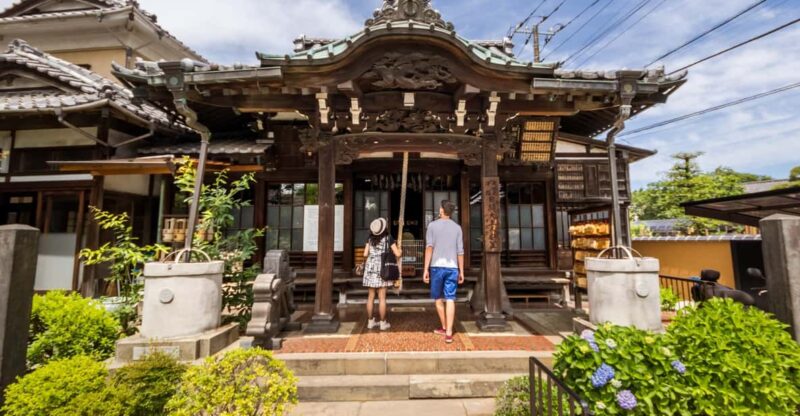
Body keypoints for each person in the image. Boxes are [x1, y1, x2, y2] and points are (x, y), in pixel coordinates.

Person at [423, 200, 464, 344]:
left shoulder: (432, 226)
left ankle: (445, 326)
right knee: (451, 298)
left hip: (436, 267)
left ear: (441, 210)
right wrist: (462, 271)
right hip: (453, 267)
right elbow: (460, 252)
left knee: (438, 299)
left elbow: (429, 248)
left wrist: (425, 269)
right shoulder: (457, 228)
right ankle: (449, 333)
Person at [362, 217, 402, 331]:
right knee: (382, 298)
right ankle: (382, 323)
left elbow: (365, 254)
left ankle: (370, 322)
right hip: (382, 268)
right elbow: (397, 254)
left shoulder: (369, 238)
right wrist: (400, 251)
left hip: (370, 268)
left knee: (370, 296)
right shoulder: (388, 238)